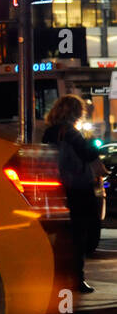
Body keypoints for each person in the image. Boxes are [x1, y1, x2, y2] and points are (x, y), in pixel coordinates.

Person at [42, 95, 100, 294]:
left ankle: (59, 277)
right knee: (81, 235)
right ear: (76, 112)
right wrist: (92, 140)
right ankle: (77, 278)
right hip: (78, 188)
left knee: (62, 235)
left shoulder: (49, 132)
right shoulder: (72, 133)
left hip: (58, 188)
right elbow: (89, 154)